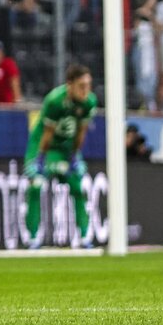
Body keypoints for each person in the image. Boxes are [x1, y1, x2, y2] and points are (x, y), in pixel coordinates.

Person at [22, 65, 98, 250]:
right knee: (36, 185)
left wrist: (75, 157)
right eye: (81, 86)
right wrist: (38, 160)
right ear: (69, 85)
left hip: (66, 149)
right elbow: (47, 134)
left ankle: (85, 236)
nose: (85, 90)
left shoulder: (89, 102)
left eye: (88, 85)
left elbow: (81, 132)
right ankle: (32, 238)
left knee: (78, 187)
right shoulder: (55, 101)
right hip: (44, 148)